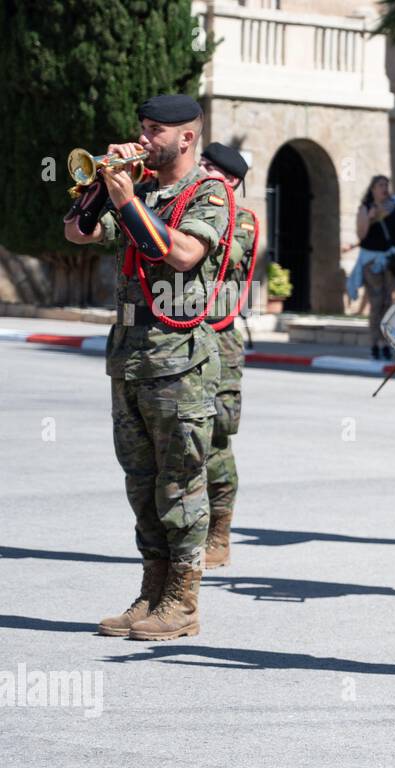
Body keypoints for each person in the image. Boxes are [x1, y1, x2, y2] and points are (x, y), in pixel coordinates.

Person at [64, 94, 233, 641]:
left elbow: (182, 254)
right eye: (142, 127)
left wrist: (129, 201)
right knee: (141, 482)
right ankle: (152, 590)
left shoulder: (208, 192)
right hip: (130, 355)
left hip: (180, 359)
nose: (144, 138)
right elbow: (78, 233)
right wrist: (98, 189)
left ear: (186, 137)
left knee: (179, 484)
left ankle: (182, 603)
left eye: (156, 130)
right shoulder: (141, 189)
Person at [197, 141, 259, 569]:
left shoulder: (243, 220)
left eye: (207, 167)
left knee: (217, 438)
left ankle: (220, 530)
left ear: (231, 180)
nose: (199, 171)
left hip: (220, 340)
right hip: (178, 338)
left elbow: (225, 252)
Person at [353, 175, 395, 360]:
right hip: (372, 261)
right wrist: (370, 217)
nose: (384, 188)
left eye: (386, 184)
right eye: (380, 185)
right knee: (376, 302)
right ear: (372, 188)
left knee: (389, 302)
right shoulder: (366, 208)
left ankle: (385, 343)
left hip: (391, 260)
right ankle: (375, 344)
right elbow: (361, 234)